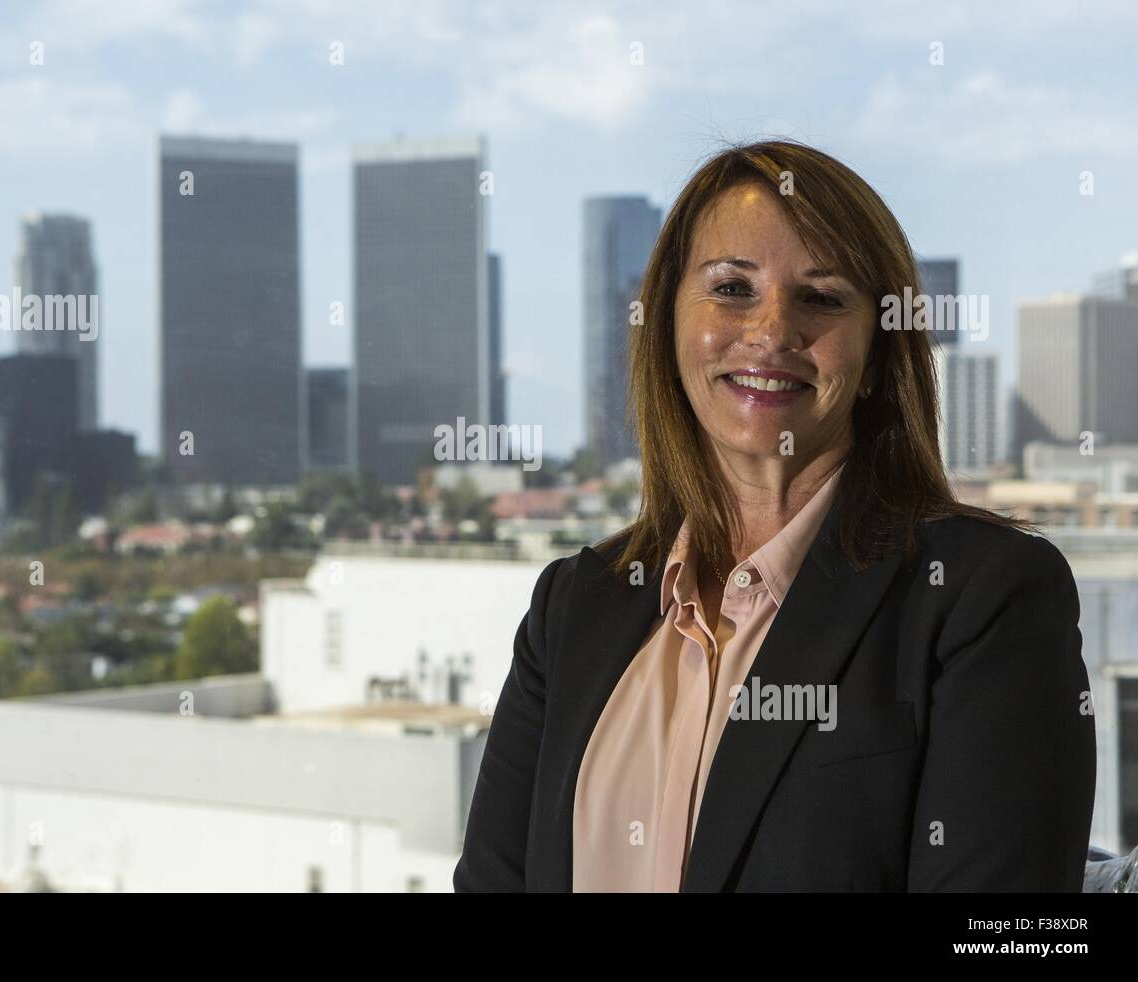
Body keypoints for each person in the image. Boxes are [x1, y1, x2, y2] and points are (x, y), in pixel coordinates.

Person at [453, 140, 1096, 892]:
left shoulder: (982, 596)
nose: (772, 330)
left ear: (877, 356)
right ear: (666, 322)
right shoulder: (572, 605)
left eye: (823, 298)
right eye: (731, 288)